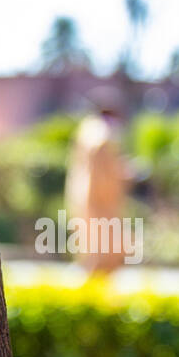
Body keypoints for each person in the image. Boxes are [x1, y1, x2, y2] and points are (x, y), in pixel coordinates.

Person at [65, 91, 134, 273]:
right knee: (102, 250)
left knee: (91, 245)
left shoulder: (87, 129)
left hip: (85, 193)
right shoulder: (101, 133)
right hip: (99, 196)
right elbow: (106, 169)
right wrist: (123, 175)